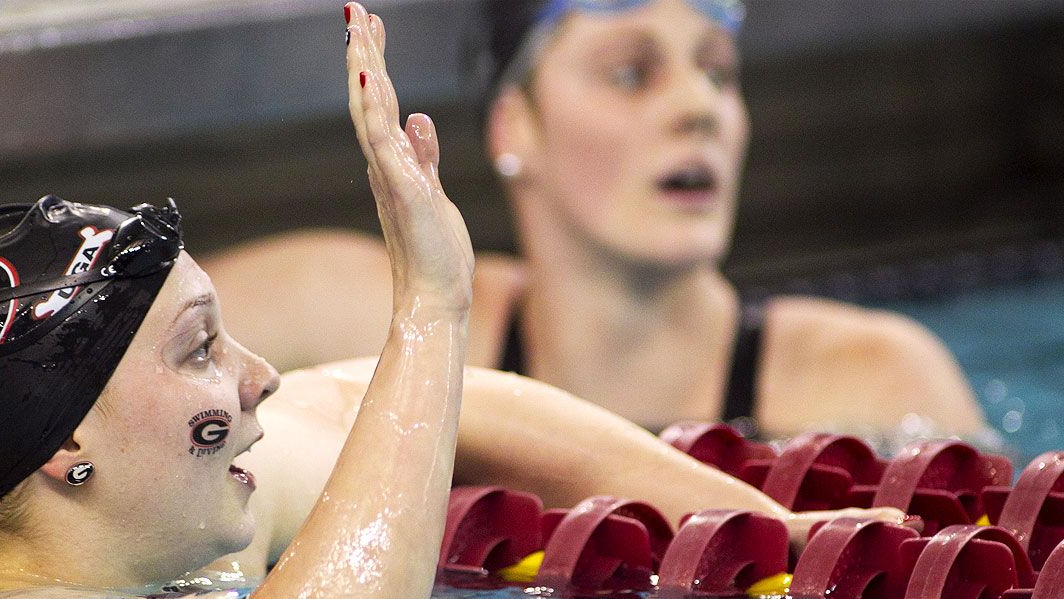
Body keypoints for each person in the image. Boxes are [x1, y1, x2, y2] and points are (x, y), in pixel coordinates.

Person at [0, 4, 899, 599]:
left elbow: (433, 409)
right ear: (68, 442)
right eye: (200, 350)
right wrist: (430, 311)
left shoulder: (179, 528)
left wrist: (776, 531)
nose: (257, 375)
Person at [203, 0, 987, 441]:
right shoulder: (377, 320)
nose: (697, 108)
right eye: (630, 72)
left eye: (718, 72)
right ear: (517, 128)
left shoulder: (878, 384)